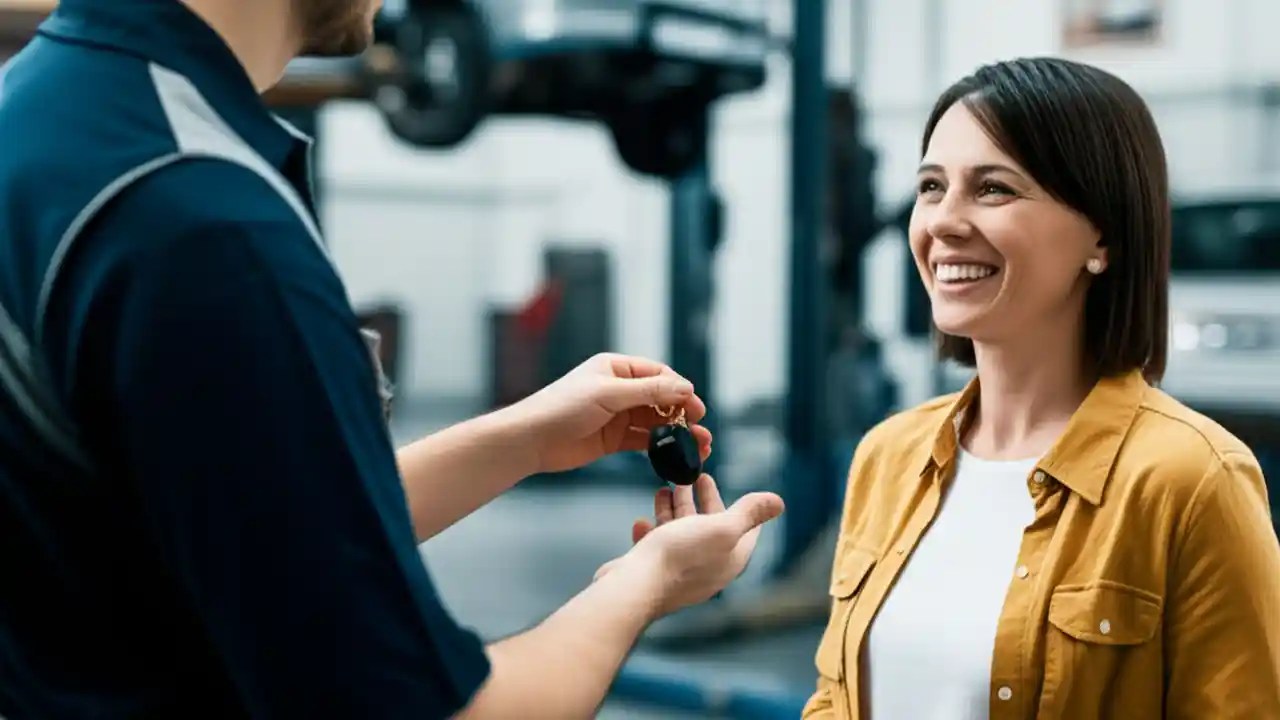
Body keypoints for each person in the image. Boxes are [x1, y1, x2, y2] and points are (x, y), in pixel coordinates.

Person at [0, 1, 784, 718]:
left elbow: (257, 523)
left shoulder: (42, 115)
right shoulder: (203, 226)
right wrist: (643, 587)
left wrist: (524, 440)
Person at [795, 57, 1280, 718]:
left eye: (993, 189)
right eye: (932, 187)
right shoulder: (889, 456)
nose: (942, 221)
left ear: (1101, 235)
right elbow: (835, 697)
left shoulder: (1192, 482)